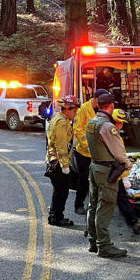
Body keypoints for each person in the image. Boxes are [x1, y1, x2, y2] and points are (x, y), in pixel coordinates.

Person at [85, 93, 133, 258]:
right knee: (105, 207)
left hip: (94, 167)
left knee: (93, 206)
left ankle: (93, 241)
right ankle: (104, 246)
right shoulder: (107, 126)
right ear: (111, 106)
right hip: (106, 172)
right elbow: (118, 151)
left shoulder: (91, 123)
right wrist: (128, 164)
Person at [72, 88, 110, 215]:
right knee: (83, 179)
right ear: (95, 99)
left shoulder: (101, 109)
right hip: (84, 152)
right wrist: (88, 145)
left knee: (97, 179)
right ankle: (78, 204)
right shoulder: (83, 109)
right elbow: (78, 130)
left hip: (97, 152)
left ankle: (97, 203)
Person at [45, 95, 80, 227]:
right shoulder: (62, 123)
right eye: (74, 111)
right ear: (67, 109)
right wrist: (65, 165)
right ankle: (56, 217)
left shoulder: (59, 118)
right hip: (58, 163)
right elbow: (61, 146)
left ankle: (55, 216)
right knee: (61, 192)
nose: (75, 114)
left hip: (55, 161)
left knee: (59, 191)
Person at [112, 109, 140, 235]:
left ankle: (132, 220)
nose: (121, 125)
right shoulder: (112, 134)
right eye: (119, 122)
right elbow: (118, 153)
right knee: (116, 196)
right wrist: (128, 164)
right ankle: (132, 221)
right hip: (111, 171)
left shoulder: (112, 133)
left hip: (109, 170)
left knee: (119, 196)